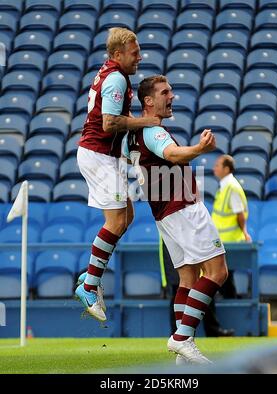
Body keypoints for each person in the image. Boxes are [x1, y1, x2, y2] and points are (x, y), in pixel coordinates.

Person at [122, 75, 228, 364]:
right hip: (183, 208)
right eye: (165, 92)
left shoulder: (132, 136)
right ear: (148, 101)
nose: (172, 96)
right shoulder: (153, 132)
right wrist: (198, 150)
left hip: (164, 214)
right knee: (218, 273)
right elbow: (173, 154)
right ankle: (181, 338)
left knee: (188, 278)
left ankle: (183, 352)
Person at [75, 27, 160, 323]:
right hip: (98, 154)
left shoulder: (113, 74)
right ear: (117, 54)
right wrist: (145, 122)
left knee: (127, 216)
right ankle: (89, 286)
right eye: (134, 52)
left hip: (103, 154)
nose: (139, 57)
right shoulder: (116, 78)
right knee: (116, 221)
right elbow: (109, 123)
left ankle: (91, 273)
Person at [161, 238, 235, 337]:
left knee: (198, 284)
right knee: (204, 279)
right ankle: (180, 336)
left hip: (181, 232)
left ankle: (183, 337)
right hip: (183, 231)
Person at [212, 155, 252, 243]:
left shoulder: (232, 188)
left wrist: (245, 233)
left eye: (217, 166)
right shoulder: (225, 187)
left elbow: (240, 214)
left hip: (231, 241)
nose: (214, 168)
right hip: (222, 241)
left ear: (226, 169)